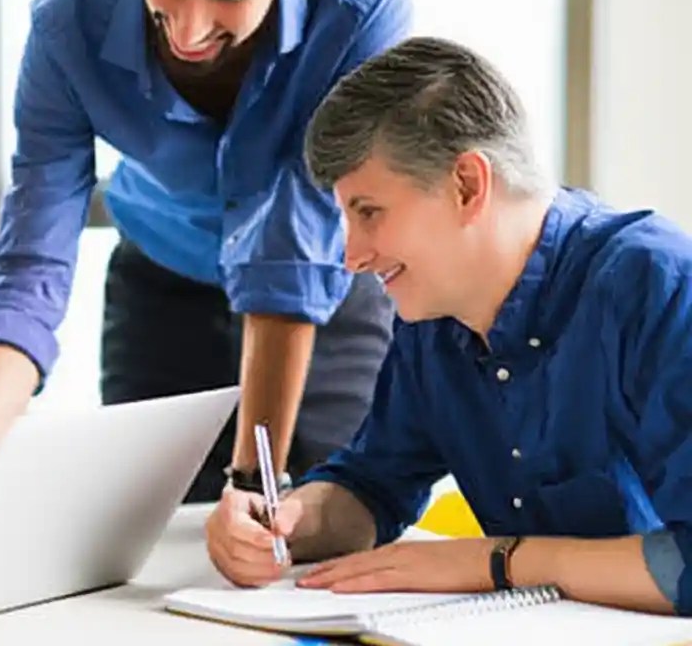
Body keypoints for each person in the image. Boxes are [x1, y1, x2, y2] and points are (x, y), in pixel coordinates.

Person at [0, 0, 413, 553]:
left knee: (309, 541)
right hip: (161, 291)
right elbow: (30, 268)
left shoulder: (359, 6)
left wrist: (254, 485)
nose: (189, 28)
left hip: (322, 306)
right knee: (143, 553)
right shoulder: (71, 22)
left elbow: (293, 243)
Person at [205, 36, 690, 616]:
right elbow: (374, 484)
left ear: (467, 185)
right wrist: (287, 521)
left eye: (369, 213)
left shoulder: (655, 284)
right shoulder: (432, 317)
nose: (350, 256)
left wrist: (498, 562)